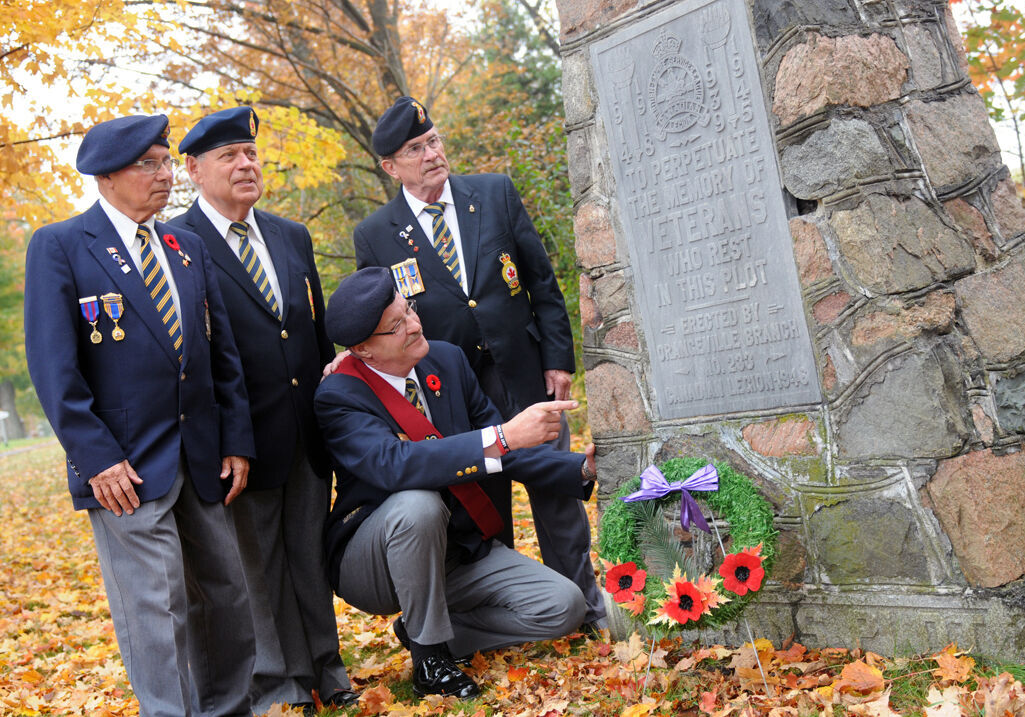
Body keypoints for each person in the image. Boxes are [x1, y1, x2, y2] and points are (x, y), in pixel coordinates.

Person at [24, 114, 257, 716]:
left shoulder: (185, 246)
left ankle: (227, 708)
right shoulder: (62, 246)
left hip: (202, 456)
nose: (164, 176)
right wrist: (97, 458)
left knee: (227, 595)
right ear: (106, 176)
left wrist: (235, 439)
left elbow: (219, 354)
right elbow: (55, 368)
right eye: (148, 165)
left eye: (165, 162)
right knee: (158, 607)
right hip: (124, 468)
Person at [352, 96, 605, 628]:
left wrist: (558, 358)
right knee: (483, 499)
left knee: (557, 492)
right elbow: (376, 317)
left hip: (524, 371)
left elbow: (540, 279)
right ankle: (516, 607)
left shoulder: (492, 193)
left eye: (434, 141)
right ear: (390, 166)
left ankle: (585, 605)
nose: (431, 154)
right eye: (415, 149)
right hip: (454, 391)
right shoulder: (376, 233)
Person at [314, 267, 598, 698]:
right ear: (363, 350)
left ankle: (429, 631)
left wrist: (581, 469)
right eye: (397, 326)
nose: (414, 324)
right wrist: (503, 435)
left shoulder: (446, 359)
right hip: (375, 559)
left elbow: (506, 451)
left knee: (564, 607)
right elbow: (395, 465)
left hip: (455, 552)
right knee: (417, 503)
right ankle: (430, 661)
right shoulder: (339, 395)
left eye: (408, 309)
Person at [171, 106, 358, 713]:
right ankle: (278, 686)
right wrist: (227, 438)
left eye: (250, 154)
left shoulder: (290, 235)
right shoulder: (175, 243)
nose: (246, 164)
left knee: (308, 558)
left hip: (304, 431)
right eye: (229, 156)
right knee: (257, 572)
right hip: (238, 443)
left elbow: (312, 336)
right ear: (195, 170)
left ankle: (327, 672)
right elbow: (192, 357)